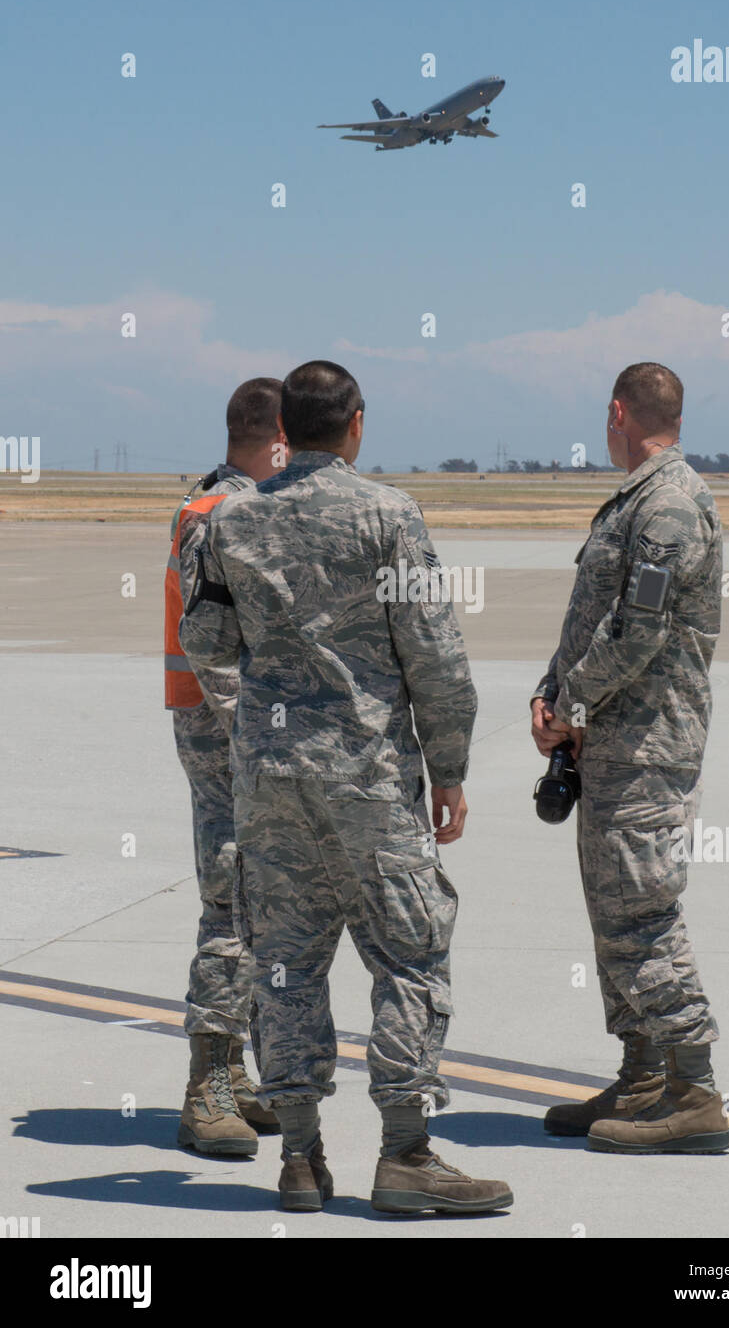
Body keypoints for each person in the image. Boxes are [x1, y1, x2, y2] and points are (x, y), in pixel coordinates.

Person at [180, 360, 513, 1212]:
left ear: (285, 429)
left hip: (270, 779)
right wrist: (451, 770)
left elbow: (207, 640)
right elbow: (435, 656)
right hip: (366, 776)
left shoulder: (236, 522)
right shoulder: (388, 516)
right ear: (356, 424)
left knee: (286, 962)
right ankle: (404, 1152)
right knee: (408, 949)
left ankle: (299, 1158)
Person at [534, 362, 729, 1154]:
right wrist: (554, 696)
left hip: (646, 747)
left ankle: (695, 1091)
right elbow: (594, 618)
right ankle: (643, 1075)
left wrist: (571, 703)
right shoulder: (640, 498)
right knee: (613, 915)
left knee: (642, 916)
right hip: (611, 743)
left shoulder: (669, 504)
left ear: (618, 413)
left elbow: (637, 632)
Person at [165, 377, 287, 1156]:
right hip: (225, 735)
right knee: (230, 895)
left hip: (228, 730)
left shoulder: (219, 501)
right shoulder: (225, 513)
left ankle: (236, 1074)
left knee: (254, 898)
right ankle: (205, 1084)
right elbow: (216, 655)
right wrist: (266, 737)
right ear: (277, 438)